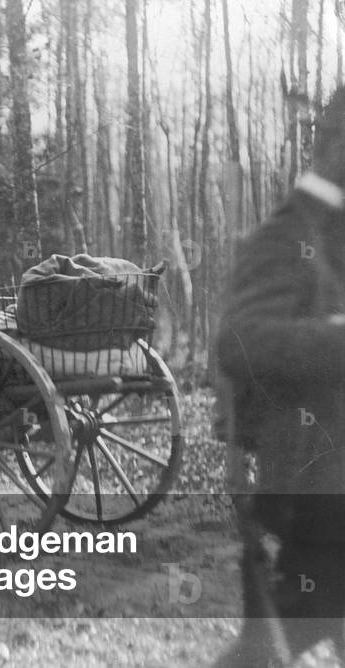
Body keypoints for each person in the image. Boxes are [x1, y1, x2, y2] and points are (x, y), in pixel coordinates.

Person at [214, 87, 345, 666]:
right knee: (278, 640)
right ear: (338, 146)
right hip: (317, 494)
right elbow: (241, 341)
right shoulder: (286, 235)